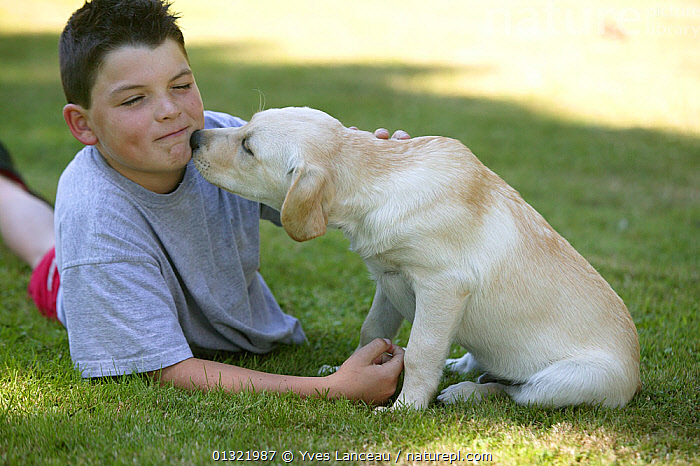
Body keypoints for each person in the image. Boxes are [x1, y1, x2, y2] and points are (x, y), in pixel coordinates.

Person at [0, 0, 407, 405]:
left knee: (42, 236)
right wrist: (331, 389)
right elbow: (164, 368)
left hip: (107, 249)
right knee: (45, 254)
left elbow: (313, 200)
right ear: (83, 124)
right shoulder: (94, 222)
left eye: (181, 86)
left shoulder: (222, 143)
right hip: (74, 275)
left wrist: (370, 175)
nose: (171, 111)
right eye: (133, 100)